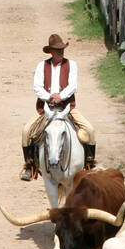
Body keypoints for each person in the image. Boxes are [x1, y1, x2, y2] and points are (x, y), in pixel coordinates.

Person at [20, 32, 96, 180]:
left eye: (62, 49)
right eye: (57, 50)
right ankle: (30, 166)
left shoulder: (71, 65)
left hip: (67, 108)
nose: (60, 52)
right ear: (51, 51)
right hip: (46, 109)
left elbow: (72, 86)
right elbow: (37, 87)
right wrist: (49, 97)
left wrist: (61, 96)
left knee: (90, 130)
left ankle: (89, 164)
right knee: (26, 131)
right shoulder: (42, 66)